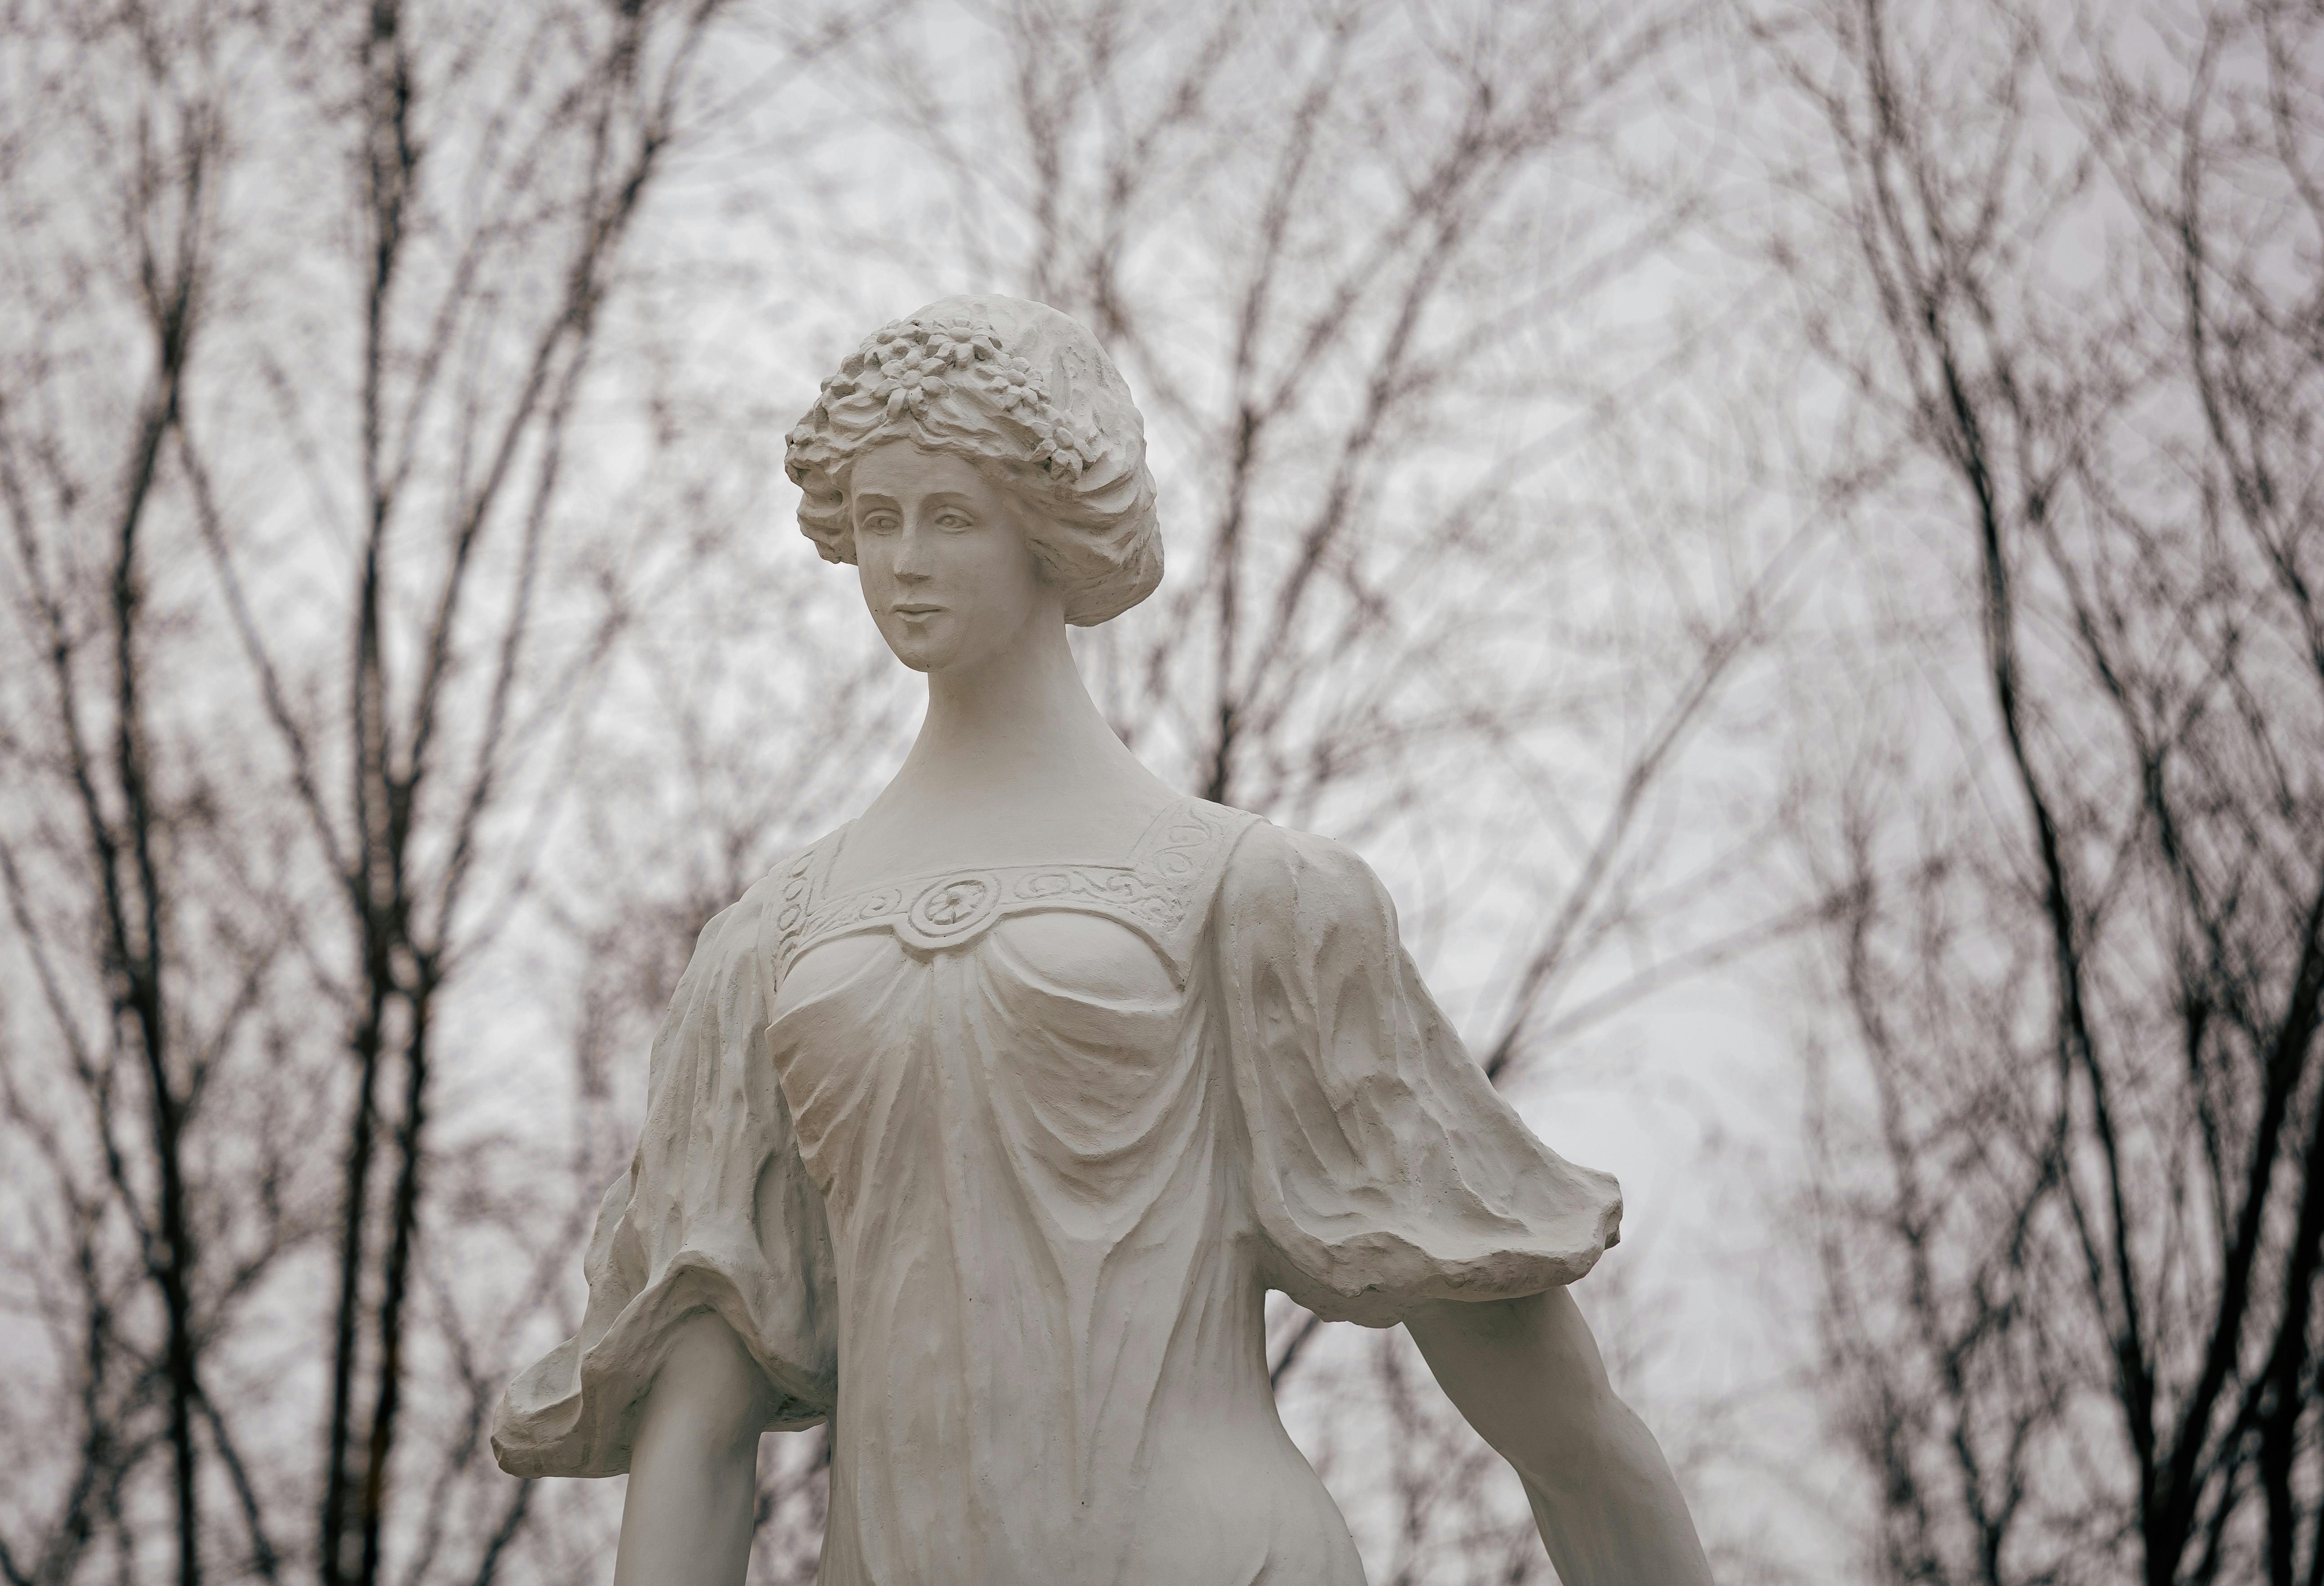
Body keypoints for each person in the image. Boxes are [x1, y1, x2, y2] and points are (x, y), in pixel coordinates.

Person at [493, 295, 1714, 1586]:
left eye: (951, 516)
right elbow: (701, 1418)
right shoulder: (769, 947)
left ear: (1048, 529)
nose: (905, 560)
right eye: (877, 520)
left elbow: (1552, 1413)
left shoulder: (1250, 900)